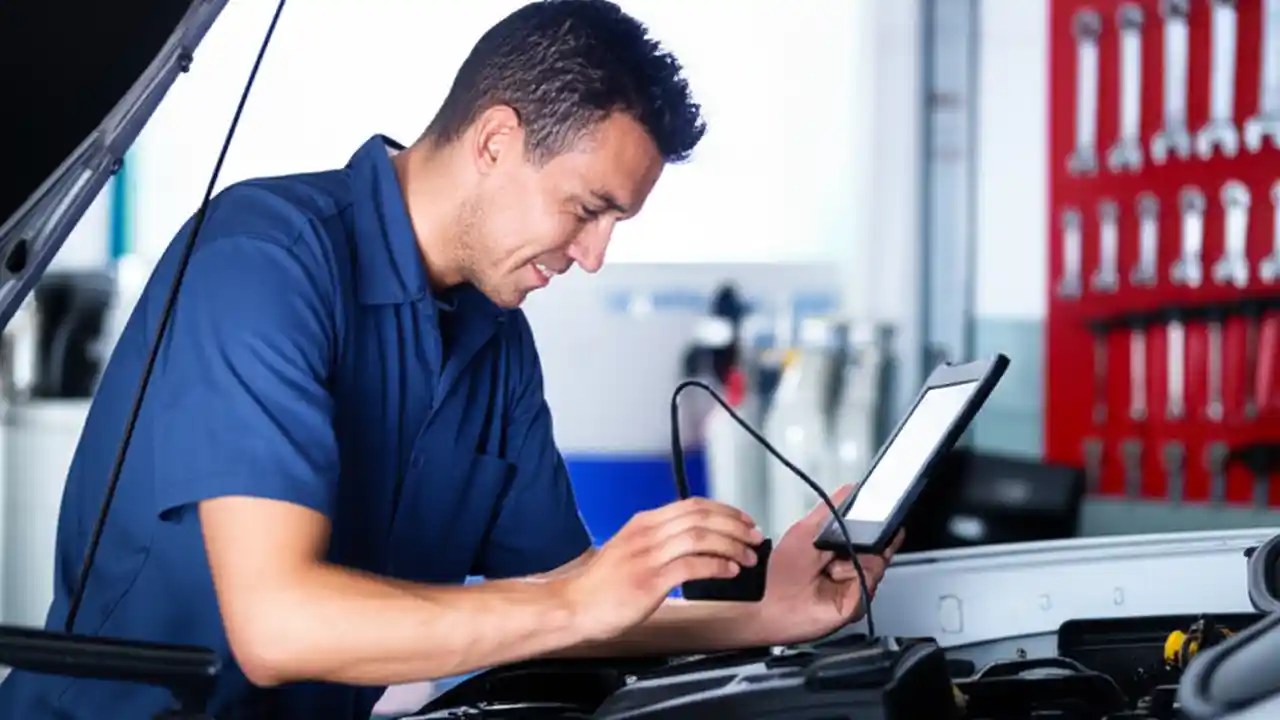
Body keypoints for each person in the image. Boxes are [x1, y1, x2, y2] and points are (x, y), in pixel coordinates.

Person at [0, 1, 903, 717]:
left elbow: (566, 607)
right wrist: (579, 598)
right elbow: (277, 626)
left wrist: (766, 615)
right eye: (587, 209)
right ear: (496, 141)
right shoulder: (263, 260)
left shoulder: (496, 342)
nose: (594, 257)